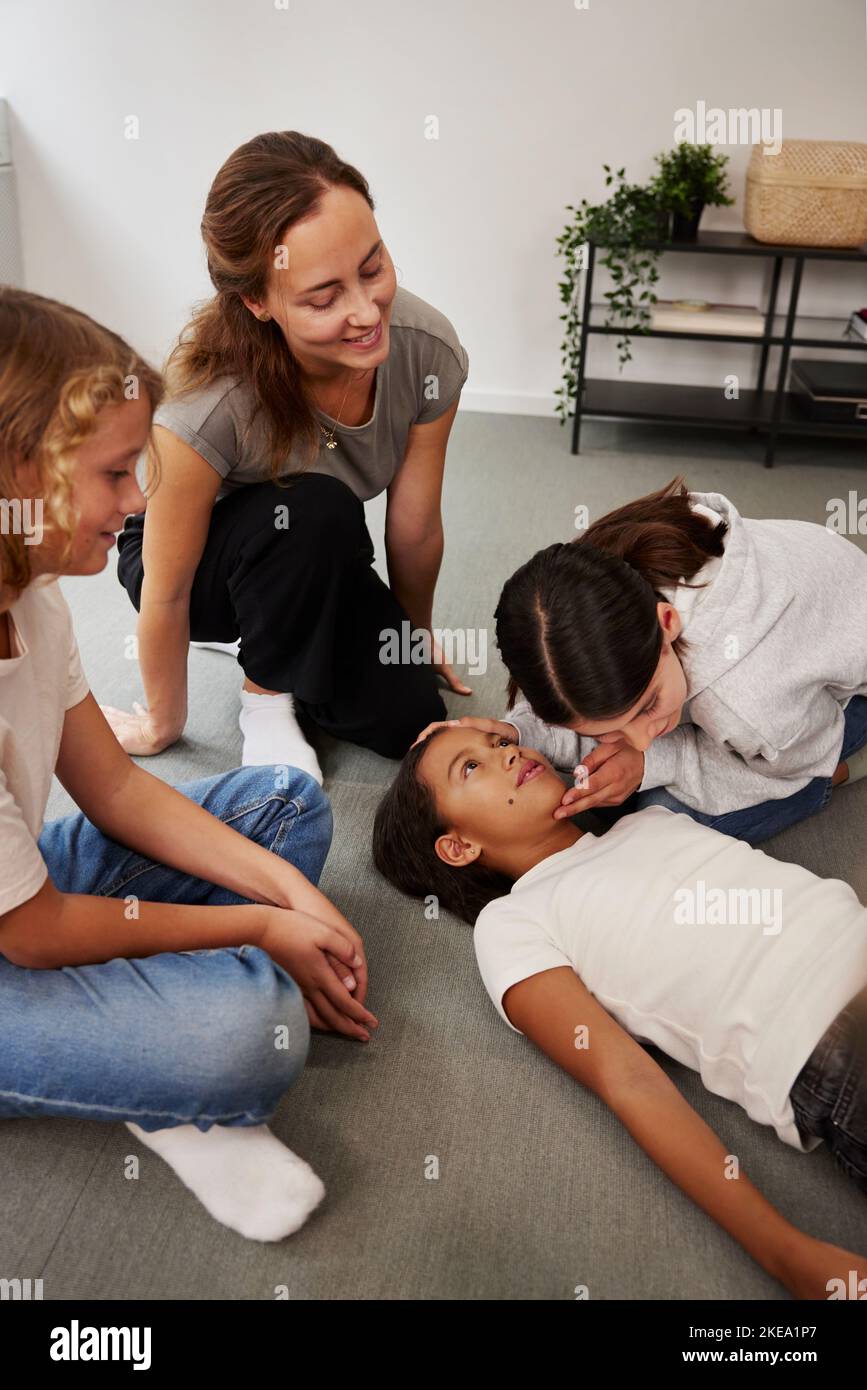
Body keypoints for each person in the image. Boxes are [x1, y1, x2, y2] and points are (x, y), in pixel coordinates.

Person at [0, 285, 377, 1242]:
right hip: (21, 925)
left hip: (20, 889)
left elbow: (117, 785)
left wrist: (285, 895)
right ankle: (160, 1072)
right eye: (117, 473)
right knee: (250, 1035)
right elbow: (37, 934)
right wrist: (262, 919)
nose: (137, 501)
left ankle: (129, 1049)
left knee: (287, 809)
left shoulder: (34, 593)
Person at [372, 721, 867, 1299]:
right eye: (472, 767)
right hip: (825, 1039)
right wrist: (788, 1254)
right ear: (459, 846)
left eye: (502, 743)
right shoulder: (512, 922)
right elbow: (628, 1080)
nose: (508, 753)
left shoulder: (648, 817)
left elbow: (744, 751)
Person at [111, 130, 471, 780]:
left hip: (313, 556)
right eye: (323, 297)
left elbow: (415, 527)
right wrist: (162, 724)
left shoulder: (427, 353)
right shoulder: (203, 409)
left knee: (413, 721)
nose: (366, 312)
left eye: (372, 268)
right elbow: (164, 593)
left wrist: (409, 641)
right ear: (257, 302)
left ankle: (285, 642)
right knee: (314, 505)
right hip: (198, 576)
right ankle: (264, 697)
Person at [484, 476, 867, 844]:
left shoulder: (749, 710)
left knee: (655, 821)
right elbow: (566, 675)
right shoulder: (600, 574)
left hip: (823, 722)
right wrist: (513, 733)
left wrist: (650, 765)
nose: (642, 738)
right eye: (609, 731)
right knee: (614, 774)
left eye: (648, 705)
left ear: (667, 622)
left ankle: (845, 770)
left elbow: (796, 760)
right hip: (812, 612)